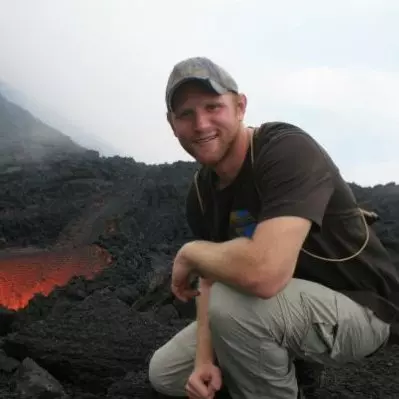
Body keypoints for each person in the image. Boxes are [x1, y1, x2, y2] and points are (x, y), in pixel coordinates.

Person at [148, 56, 399, 399]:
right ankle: (282, 364)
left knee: (235, 308)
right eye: (186, 114)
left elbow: (264, 274)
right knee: (167, 374)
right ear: (171, 123)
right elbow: (212, 277)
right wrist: (204, 360)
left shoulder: (285, 151)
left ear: (240, 106)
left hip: (361, 309)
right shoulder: (202, 194)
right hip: (278, 309)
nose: (201, 124)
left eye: (213, 106)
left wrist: (190, 252)